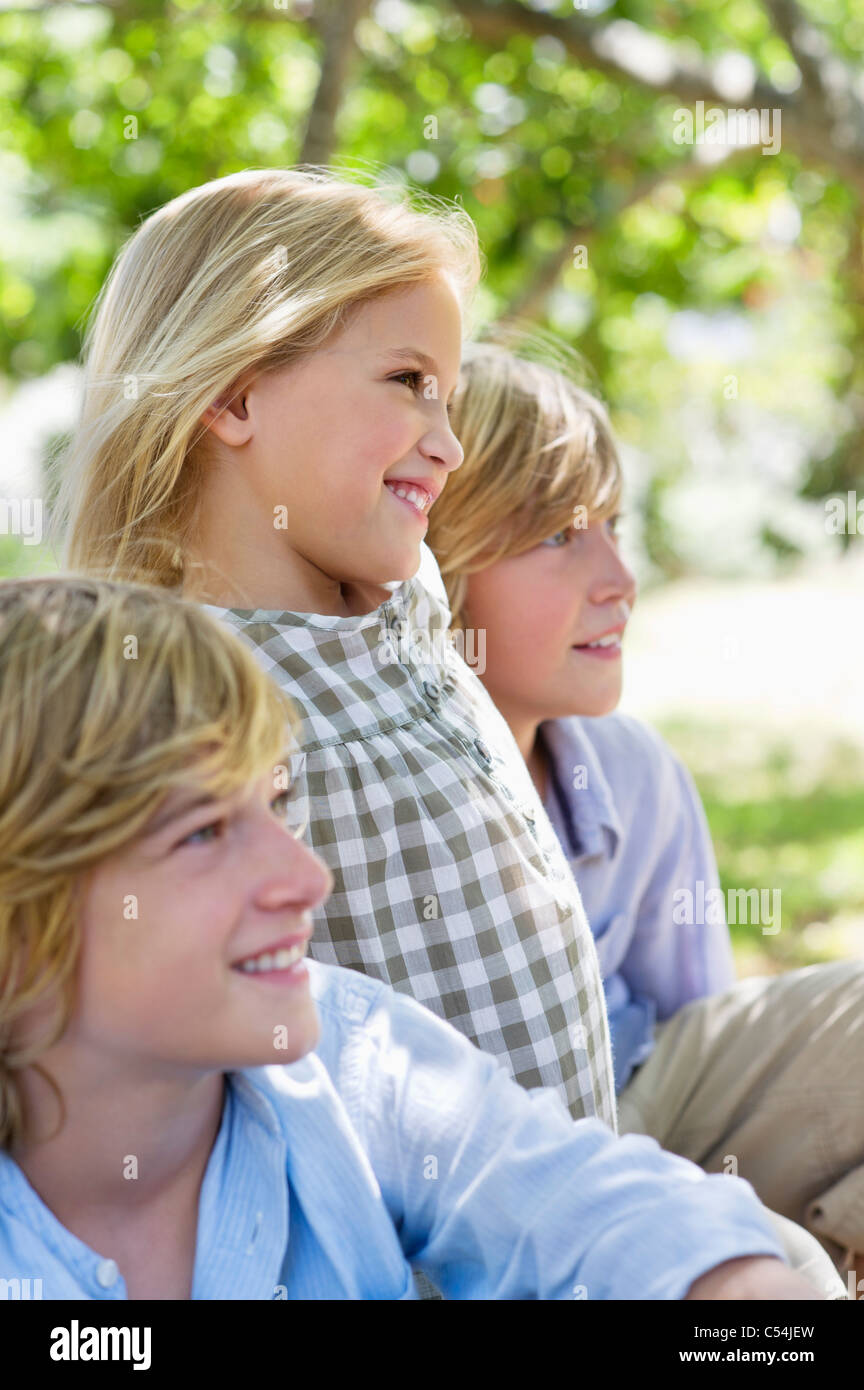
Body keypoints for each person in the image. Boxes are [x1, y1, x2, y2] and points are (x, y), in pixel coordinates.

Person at [0, 575, 822, 1300]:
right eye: (206, 832)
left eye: (276, 804)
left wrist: (738, 1286)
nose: (305, 879)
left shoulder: (350, 1066)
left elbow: (575, 1200)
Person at [49, 166, 616, 1130]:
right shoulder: (189, 715)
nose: (450, 445)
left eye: (448, 397)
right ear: (233, 398)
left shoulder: (413, 613)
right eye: (409, 383)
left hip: (574, 1236)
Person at [426, 337, 864, 1290]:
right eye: (557, 536)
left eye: (614, 524)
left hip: (647, 1093)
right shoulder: (394, 795)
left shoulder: (630, 774)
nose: (619, 576)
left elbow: (708, 1043)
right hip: (496, 1165)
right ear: (437, 565)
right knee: (783, 1273)